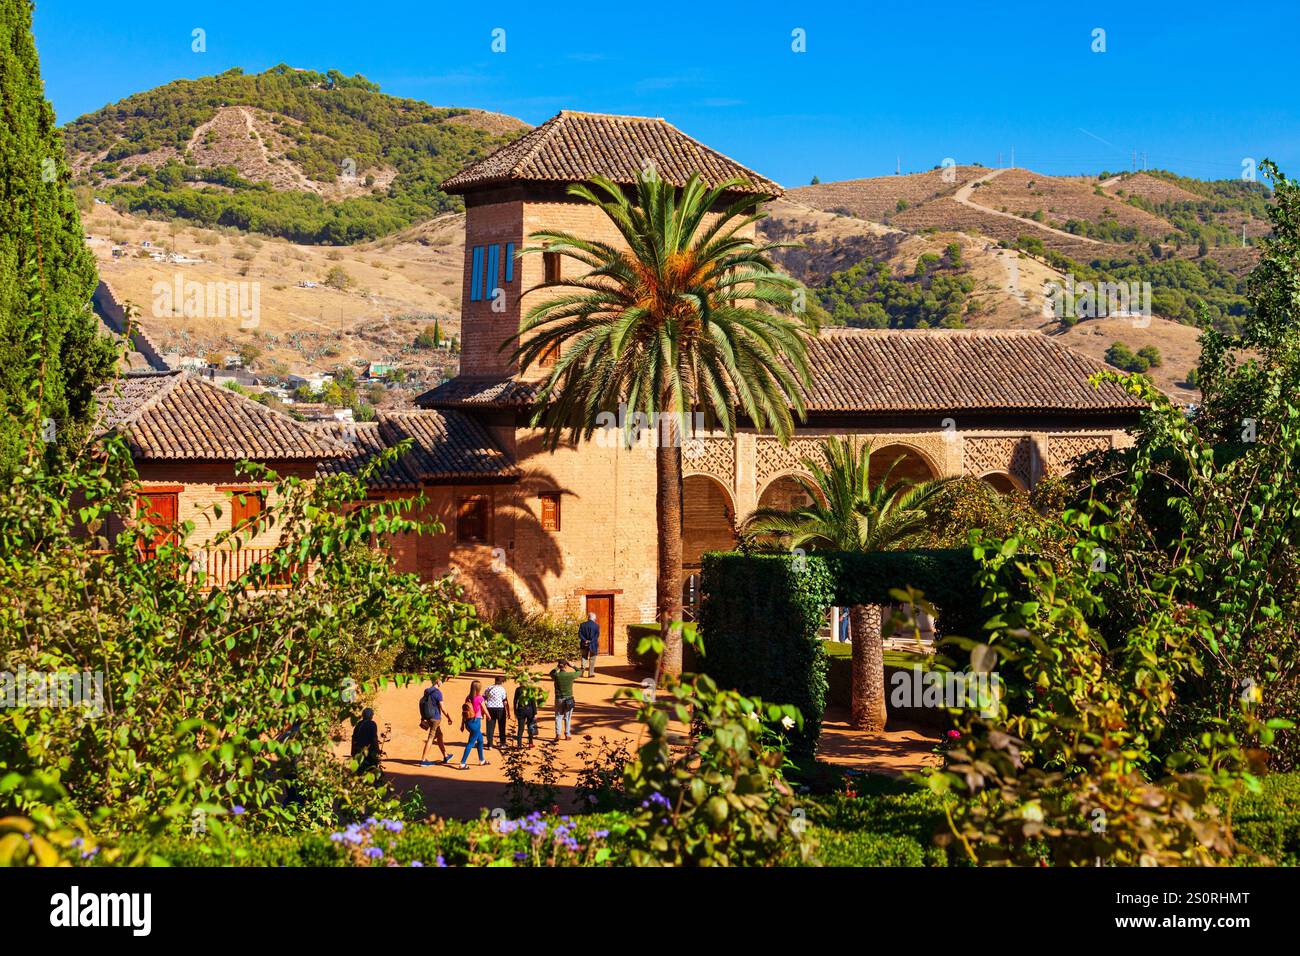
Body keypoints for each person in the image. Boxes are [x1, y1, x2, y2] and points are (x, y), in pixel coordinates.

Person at [418, 677, 453, 766]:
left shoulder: (427, 690)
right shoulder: (438, 693)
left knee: (439, 735)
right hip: (435, 718)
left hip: (428, 717)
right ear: (438, 682)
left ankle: (445, 756)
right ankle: (423, 760)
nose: (443, 683)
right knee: (431, 737)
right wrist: (449, 717)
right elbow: (443, 708)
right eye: (442, 681)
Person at [457, 680, 489, 770]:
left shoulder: (468, 698)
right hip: (475, 723)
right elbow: (485, 709)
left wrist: (462, 724)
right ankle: (462, 763)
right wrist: (489, 717)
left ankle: (482, 760)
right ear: (479, 688)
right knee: (470, 743)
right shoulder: (479, 698)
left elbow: (464, 712)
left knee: (481, 740)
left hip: (468, 722)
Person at [549, 660, 577, 740]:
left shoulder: (556, 676)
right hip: (568, 699)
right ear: (566, 666)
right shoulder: (570, 675)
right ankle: (567, 734)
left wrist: (558, 667)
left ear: (559, 666)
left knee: (558, 716)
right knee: (567, 717)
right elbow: (580, 672)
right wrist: (573, 666)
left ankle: (558, 734)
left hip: (559, 699)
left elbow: (551, 673)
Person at [482, 675, 510, 750]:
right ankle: (502, 743)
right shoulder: (502, 689)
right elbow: (505, 701)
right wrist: (507, 711)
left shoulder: (489, 688)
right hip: (500, 709)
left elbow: (483, 698)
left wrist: (486, 704)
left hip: (490, 708)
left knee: (490, 727)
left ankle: (489, 744)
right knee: (501, 726)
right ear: (501, 682)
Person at [350, 707, 380, 774]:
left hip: (358, 750)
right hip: (368, 750)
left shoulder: (359, 724)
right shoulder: (372, 724)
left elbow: (353, 738)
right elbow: (374, 738)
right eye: (372, 715)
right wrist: (377, 749)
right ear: (370, 716)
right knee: (371, 768)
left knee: (359, 768)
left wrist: (352, 750)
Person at [514, 683, 540, 748]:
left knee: (520, 728)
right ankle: (530, 743)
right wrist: (535, 713)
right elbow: (533, 701)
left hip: (521, 710)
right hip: (529, 711)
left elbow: (515, 700)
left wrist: (515, 710)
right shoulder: (530, 689)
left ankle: (519, 744)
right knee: (530, 727)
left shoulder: (518, 689)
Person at [578, 612, 601, 678]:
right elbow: (597, 636)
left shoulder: (582, 625)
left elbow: (580, 634)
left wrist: (585, 640)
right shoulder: (596, 626)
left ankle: (581, 673)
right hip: (593, 644)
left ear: (588, 617)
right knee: (592, 659)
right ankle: (590, 674)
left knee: (584, 657)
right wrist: (590, 641)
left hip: (584, 644)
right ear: (594, 618)